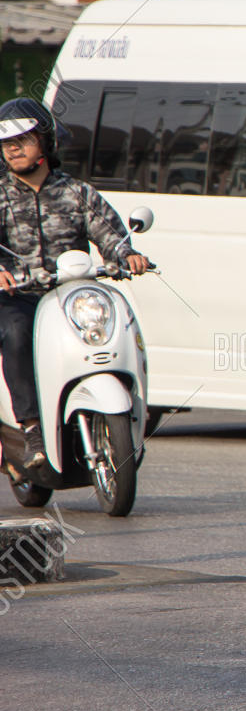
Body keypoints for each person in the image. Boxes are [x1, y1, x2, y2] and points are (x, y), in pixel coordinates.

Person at [0, 98, 149, 470]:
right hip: (17, 297)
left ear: (46, 142)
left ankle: (128, 418)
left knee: (116, 324)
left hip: (70, 297)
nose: (13, 149)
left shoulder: (76, 193)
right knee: (16, 332)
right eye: (6, 143)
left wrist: (127, 254)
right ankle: (32, 428)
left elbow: (110, 234)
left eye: (22, 140)